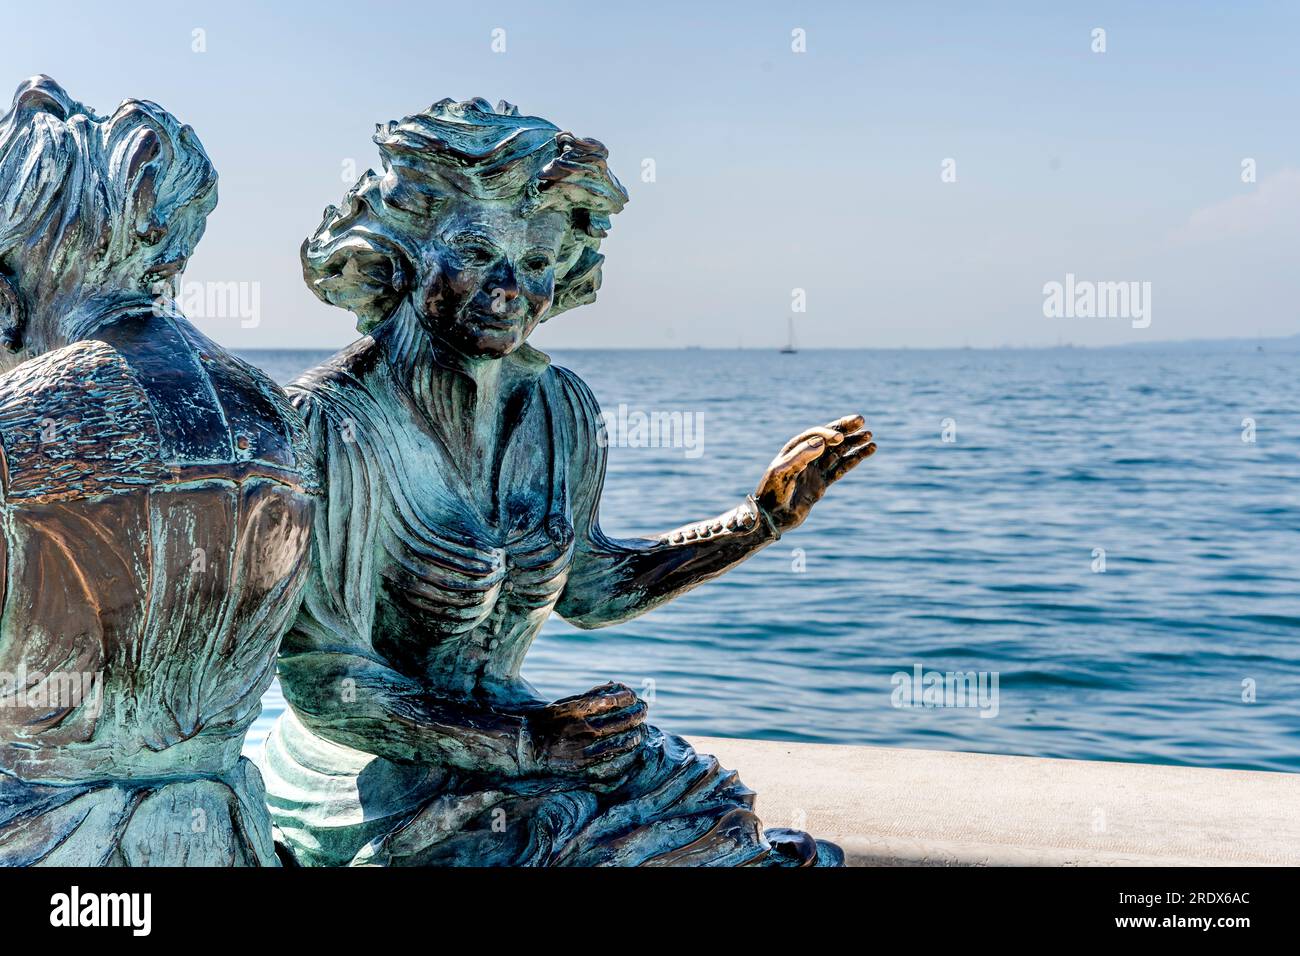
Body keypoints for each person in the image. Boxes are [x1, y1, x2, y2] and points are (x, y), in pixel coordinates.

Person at [263, 98, 874, 866]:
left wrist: (758, 519)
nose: (510, 286)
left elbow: (591, 590)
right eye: (480, 253)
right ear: (409, 253)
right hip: (365, 771)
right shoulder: (329, 423)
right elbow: (327, 683)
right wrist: (526, 742)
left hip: (531, 745)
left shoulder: (561, 408)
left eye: (538, 263)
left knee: (706, 810)